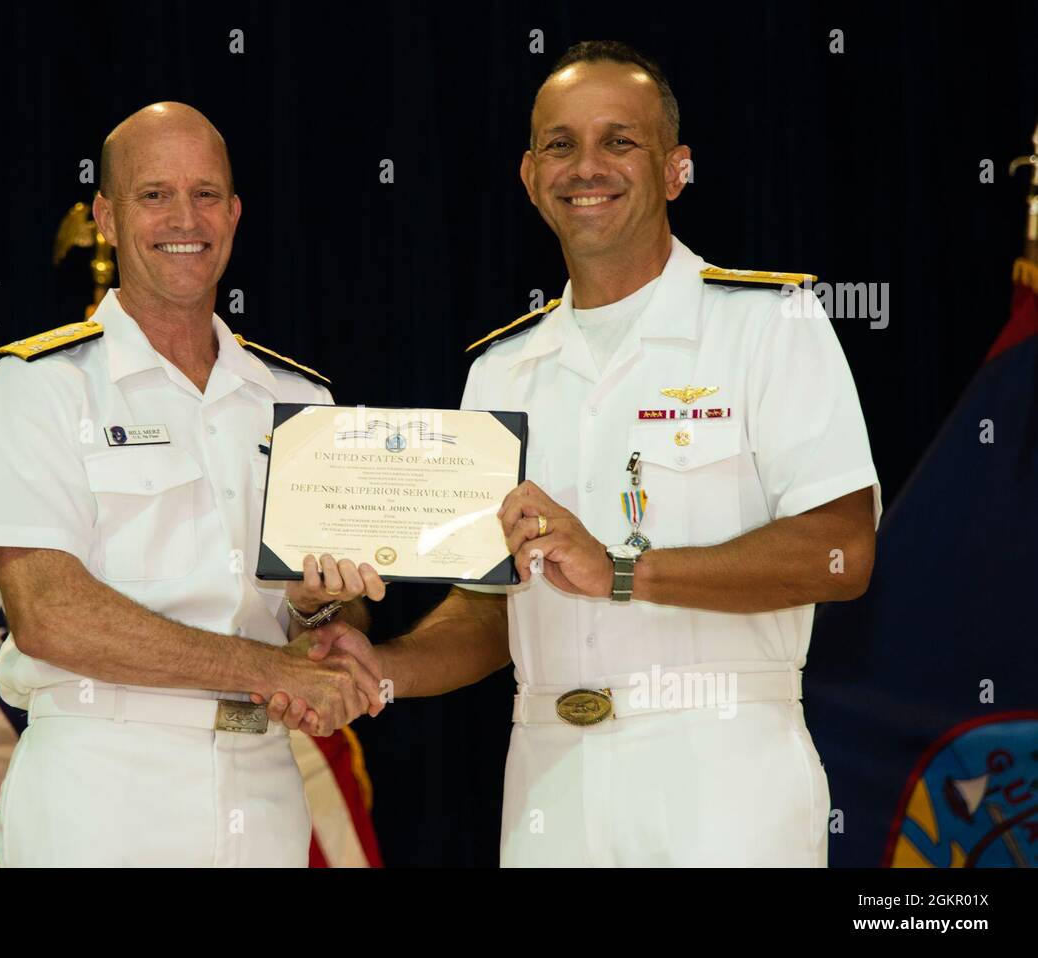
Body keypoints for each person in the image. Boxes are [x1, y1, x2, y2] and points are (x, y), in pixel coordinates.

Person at [270, 41, 880, 866]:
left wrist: (624, 570)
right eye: (560, 144)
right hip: (550, 780)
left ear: (676, 169)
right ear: (529, 176)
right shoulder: (501, 368)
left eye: (618, 141)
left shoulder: (771, 324)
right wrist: (382, 668)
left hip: (722, 771)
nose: (585, 166)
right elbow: (493, 608)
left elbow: (844, 554)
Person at [0, 102, 385, 867]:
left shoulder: (299, 400)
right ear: (107, 217)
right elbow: (51, 616)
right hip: (103, 789)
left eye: (207, 193)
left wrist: (317, 610)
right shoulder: (39, 388)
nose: (184, 217)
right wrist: (266, 667)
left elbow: (330, 610)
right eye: (154, 195)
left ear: (235, 212)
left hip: (264, 792)